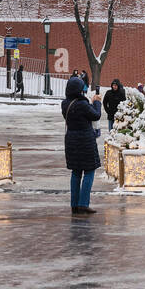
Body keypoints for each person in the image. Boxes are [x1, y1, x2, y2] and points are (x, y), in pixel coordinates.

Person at [61, 75, 101, 216]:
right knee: (89, 171)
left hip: (71, 140)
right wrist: (96, 102)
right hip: (85, 141)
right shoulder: (82, 105)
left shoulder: (65, 104)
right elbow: (96, 115)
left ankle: (74, 205)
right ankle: (83, 204)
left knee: (76, 172)